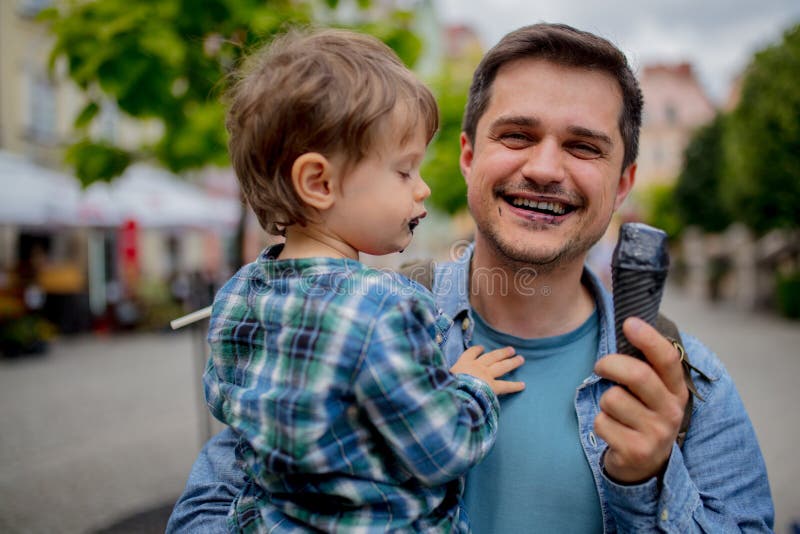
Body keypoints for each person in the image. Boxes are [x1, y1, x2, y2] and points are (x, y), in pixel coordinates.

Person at [168, 23, 774, 532]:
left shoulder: (693, 386)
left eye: (584, 147)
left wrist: (650, 482)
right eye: (516, 135)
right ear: (467, 156)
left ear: (622, 183)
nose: (543, 168)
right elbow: (203, 510)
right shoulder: (339, 328)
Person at [189, 27, 526, 533]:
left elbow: (225, 403)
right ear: (319, 183)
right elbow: (444, 449)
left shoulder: (237, 295)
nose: (423, 189)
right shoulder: (385, 309)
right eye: (405, 172)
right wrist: (468, 387)